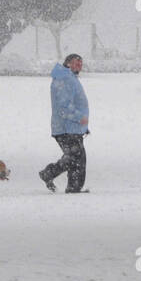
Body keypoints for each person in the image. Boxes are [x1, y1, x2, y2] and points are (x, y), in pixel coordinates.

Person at [38, 53, 89, 193]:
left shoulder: (69, 78)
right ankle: (54, 176)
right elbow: (64, 107)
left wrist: (83, 126)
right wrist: (80, 118)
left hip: (71, 127)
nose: (79, 65)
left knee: (75, 158)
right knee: (76, 159)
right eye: (75, 62)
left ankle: (72, 187)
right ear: (67, 63)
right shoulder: (65, 79)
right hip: (66, 128)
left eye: (80, 63)